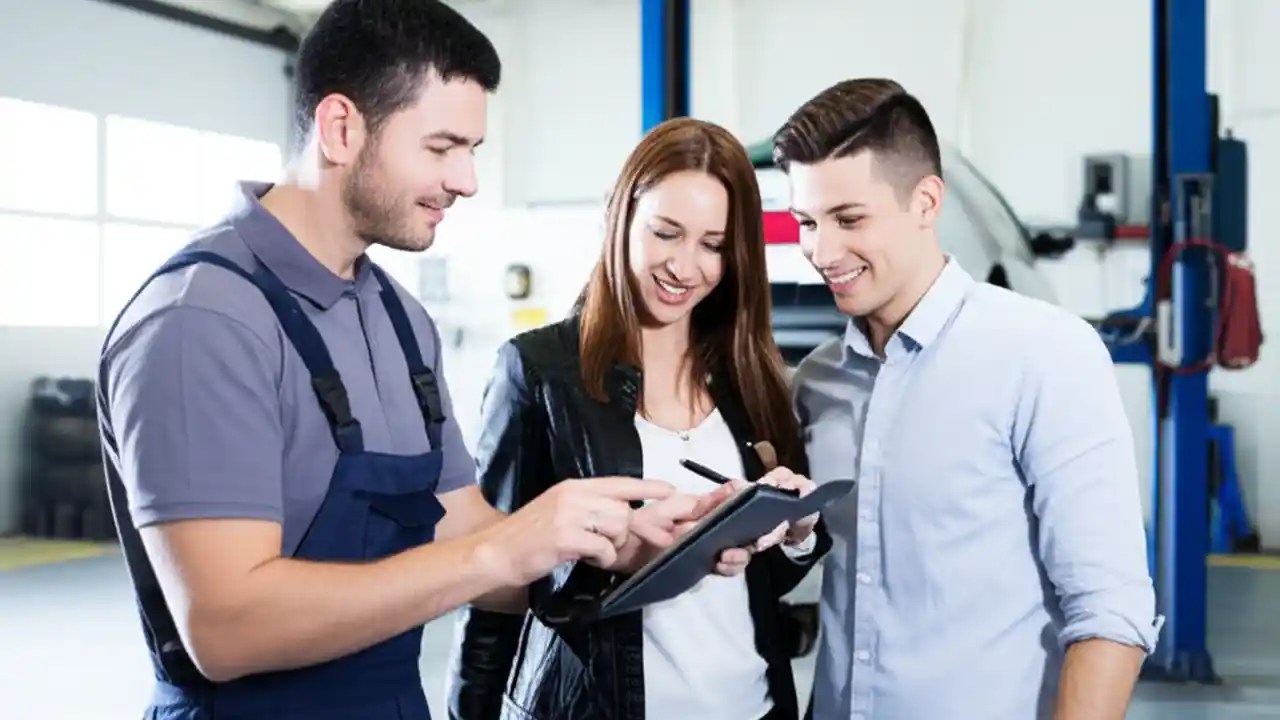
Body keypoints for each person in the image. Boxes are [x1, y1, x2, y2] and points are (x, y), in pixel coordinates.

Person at [95, 3, 690, 718]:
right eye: (442, 148)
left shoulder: (401, 321)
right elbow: (224, 628)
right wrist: (503, 551)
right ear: (342, 128)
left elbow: (462, 533)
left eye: (472, 149)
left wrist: (606, 549)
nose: (467, 179)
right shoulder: (203, 321)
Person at [774, 78, 1163, 720]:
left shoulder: (1044, 353)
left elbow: (1109, 607)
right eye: (807, 222)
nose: (822, 250)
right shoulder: (817, 382)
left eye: (849, 220)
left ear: (926, 201)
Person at [444, 116, 832, 720]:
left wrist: (795, 531)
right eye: (666, 233)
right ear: (620, 217)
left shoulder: (751, 375)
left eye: (711, 245)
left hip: (755, 707)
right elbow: (488, 586)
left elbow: (761, 584)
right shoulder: (540, 371)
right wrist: (609, 555)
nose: (685, 266)